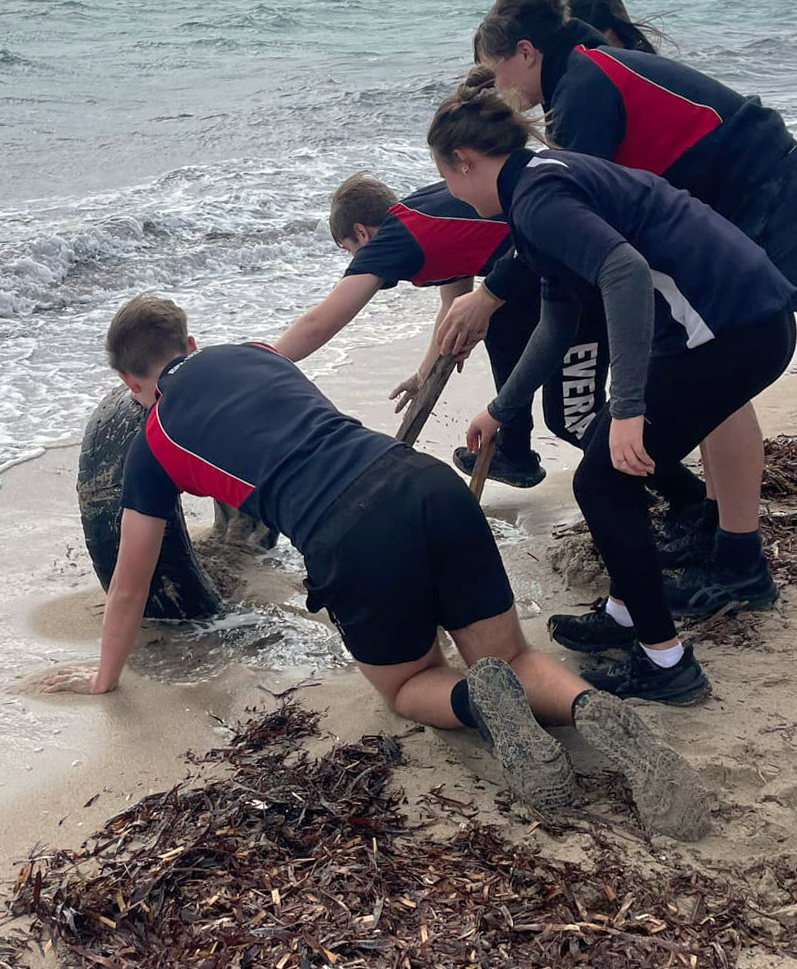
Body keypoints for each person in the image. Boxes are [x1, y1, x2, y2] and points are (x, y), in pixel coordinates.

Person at [39, 294, 710, 842]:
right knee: (510, 654)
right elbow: (285, 394)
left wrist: (105, 677)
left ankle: (479, 701)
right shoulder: (252, 355)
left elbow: (130, 584)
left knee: (408, 683)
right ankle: (591, 710)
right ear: (188, 346)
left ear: (132, 384)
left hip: (347, 531)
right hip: (421, 482)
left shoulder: (152, 446)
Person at [438, 0, 797, 643]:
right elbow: (561, 257)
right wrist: (506, 403)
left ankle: (737, 556)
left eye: (494, 69)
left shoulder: (585, 89)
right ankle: (714, 530)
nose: (495, 89)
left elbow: (563, 222)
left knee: (721, 374)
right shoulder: (583, 73)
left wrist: (492, 291)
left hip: (771, 194)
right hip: (735, 204)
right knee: (709, 373)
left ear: (526, 53)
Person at [427, 81, 797, 704]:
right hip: (728, 322)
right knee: (607, 467)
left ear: (464, 161)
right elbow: (559, 321)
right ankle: (628, 614)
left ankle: (666, 662)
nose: (454, 195)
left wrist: (627, 409)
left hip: (732, 329)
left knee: (603, 481)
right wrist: (501, 409)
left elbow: (622, 270)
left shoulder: (537, 196)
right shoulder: (535, 184)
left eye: (448, 178)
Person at [273, 171, 609, 489]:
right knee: (499, 321)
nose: (356, 260)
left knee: (571, 418)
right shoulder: (425, 222)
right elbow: (454, 305)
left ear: (362, 232)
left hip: (580, 274)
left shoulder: (393, 238)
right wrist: (424, 375)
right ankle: (514, 452)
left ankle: (637, 476)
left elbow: (320, 323)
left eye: (350, 250)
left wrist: (263, 361)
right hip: (547, 266)